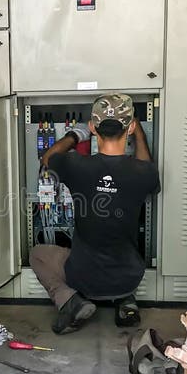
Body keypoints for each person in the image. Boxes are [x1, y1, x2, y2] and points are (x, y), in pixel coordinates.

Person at [30, 93, 160, 335]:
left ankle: (71, 302)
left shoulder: (76, 166)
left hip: (84, 279)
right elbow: (146, 165)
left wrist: (76, 133)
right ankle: (125, 302)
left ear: (93, 127)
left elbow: (49, 157)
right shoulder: (144, 173)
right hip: (129, 277)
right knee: (121, 253)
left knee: (37, 254)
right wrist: (139, 132)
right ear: (130, 127)